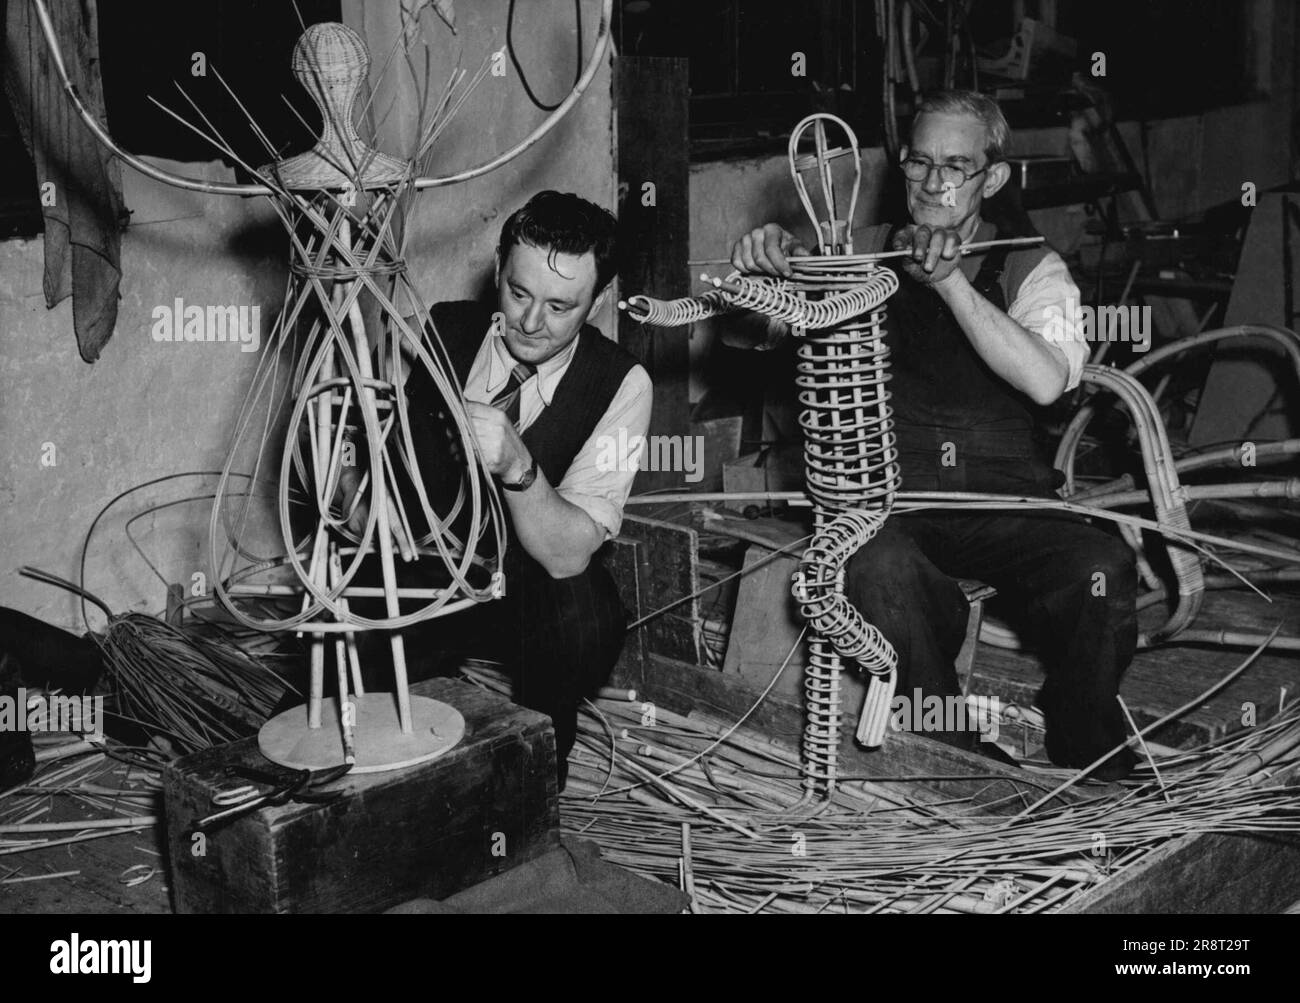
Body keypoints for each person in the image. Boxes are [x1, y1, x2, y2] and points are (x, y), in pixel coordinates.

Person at [729, 91, 1138, 781]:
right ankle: (951, 750)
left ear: (994, 179)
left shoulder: (1029, 267)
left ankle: (1086, 738)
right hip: (895, 501)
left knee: (1102, 569)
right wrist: (755, 279)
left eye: (957, 165)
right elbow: (754, 337)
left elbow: (1047, 381)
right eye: (919, 162)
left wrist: (952, 285)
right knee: (874, 565)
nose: (933, 183)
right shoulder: (857, 254)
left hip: (1007, 503)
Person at [348, 190, 651, 791]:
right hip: (428, 570)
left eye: (561, 306)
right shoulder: (430, 335)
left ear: (598, 300)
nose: (532, 323)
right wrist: (357, 497)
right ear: (497, 269)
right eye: (518, 293)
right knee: (328, 697)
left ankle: (536, 768)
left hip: (528, 591)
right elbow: (359, 462)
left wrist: (516, 462)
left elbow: (567, 554)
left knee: (585, 615)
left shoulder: (623, 385)